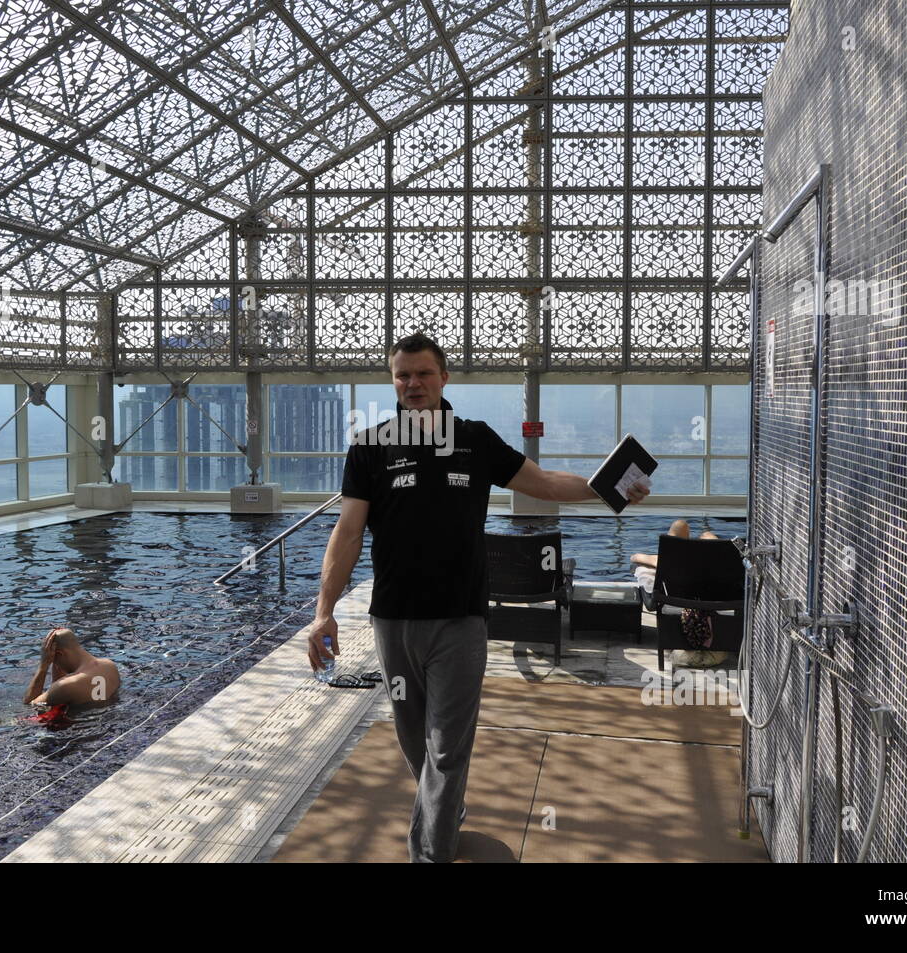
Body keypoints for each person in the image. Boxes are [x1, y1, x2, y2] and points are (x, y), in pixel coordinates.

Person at [303, 333, 650, 863]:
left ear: (444, 378)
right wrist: (323, 612)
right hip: (392, 621)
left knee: (447, 749)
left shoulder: (475, 439)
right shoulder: (370, 447)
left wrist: (610, 490)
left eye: (423, 373)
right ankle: (447, 813)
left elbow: (544, 484)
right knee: (414, 741)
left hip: (461, 620)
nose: (413, 384)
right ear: (392, 381)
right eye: (403, 375)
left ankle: (430, 853)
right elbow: (347, 533)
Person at [631, 520, 726, 664]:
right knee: (707, 535)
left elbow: (636, 557)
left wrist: (637, 558)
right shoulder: (715, 573)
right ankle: (708, 544)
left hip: (676, 596)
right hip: (716, 595)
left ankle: (691, 542)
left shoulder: (673, 564)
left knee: (680, 525)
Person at [23, 627, 121, 708]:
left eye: (54, 661)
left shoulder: (67, 686)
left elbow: (30, 705)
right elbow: (57, 692)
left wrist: (43, 666)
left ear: (58, 654)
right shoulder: (110, 666)